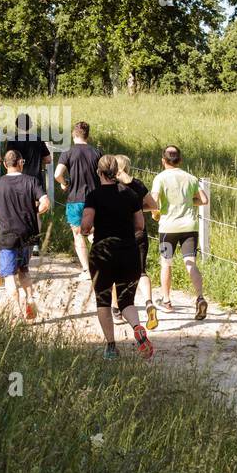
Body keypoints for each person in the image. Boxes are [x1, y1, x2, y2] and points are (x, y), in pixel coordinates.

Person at [81, 154, 153, 360]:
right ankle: (137, 328)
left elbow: (86, 225)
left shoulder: (94, 196)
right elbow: (140, 225)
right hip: (129, 251)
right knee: (126, 300)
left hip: (103, 252)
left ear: (99, 172)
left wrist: (87, 230)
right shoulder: (130, 194)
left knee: (103, 300)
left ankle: (111, 346)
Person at [0, 149, 49, 321]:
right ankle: (31, 299)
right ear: (21, 163)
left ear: (4, 165)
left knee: (9, 275)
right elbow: (45, 204)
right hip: (28, 234)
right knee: (24, 270)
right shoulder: (32, 181)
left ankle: (17, 311)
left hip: (7, 236)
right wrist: (34, 213)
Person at [150, 145, 209, 319]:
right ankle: (199, 297)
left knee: (166, 263)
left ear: (163, 161)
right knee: (190, 261)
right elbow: (204, 199)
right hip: (190, 227)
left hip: (168, 227)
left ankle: (166, 301)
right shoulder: (190, 178)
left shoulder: (160, 178)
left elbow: (153, 202)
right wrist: (190, 203)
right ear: (180, 160)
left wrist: (156, 213)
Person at [115, 155, 160, 330]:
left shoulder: (112, 186)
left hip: (119, 234)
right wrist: (140, 208)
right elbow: (153, 204)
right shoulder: (138, 184)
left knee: (116, 273)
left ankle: (117, 310)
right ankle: (149, 303)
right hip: (139, 233)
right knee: (141, 271)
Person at [54, 121, 101, 281]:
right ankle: (100, 263)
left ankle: (87, 270)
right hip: (95, 198)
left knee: (77, 233)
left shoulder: (68, 151)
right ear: (88, 135)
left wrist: (64, 183)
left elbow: (57, 174)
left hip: (75, 198)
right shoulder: (97, 152)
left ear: (73, 135)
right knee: (95, 231)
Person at [3, 113, 51, 257]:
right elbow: (48, 159)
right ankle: (35, 243)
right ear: (30, 125)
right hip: (35, 179)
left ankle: (18, 240)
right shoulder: (37, 139)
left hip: (16, 179)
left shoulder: (12, 141)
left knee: (16, 209)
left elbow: (8, 160)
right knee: (36, 212)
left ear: (17, 125)